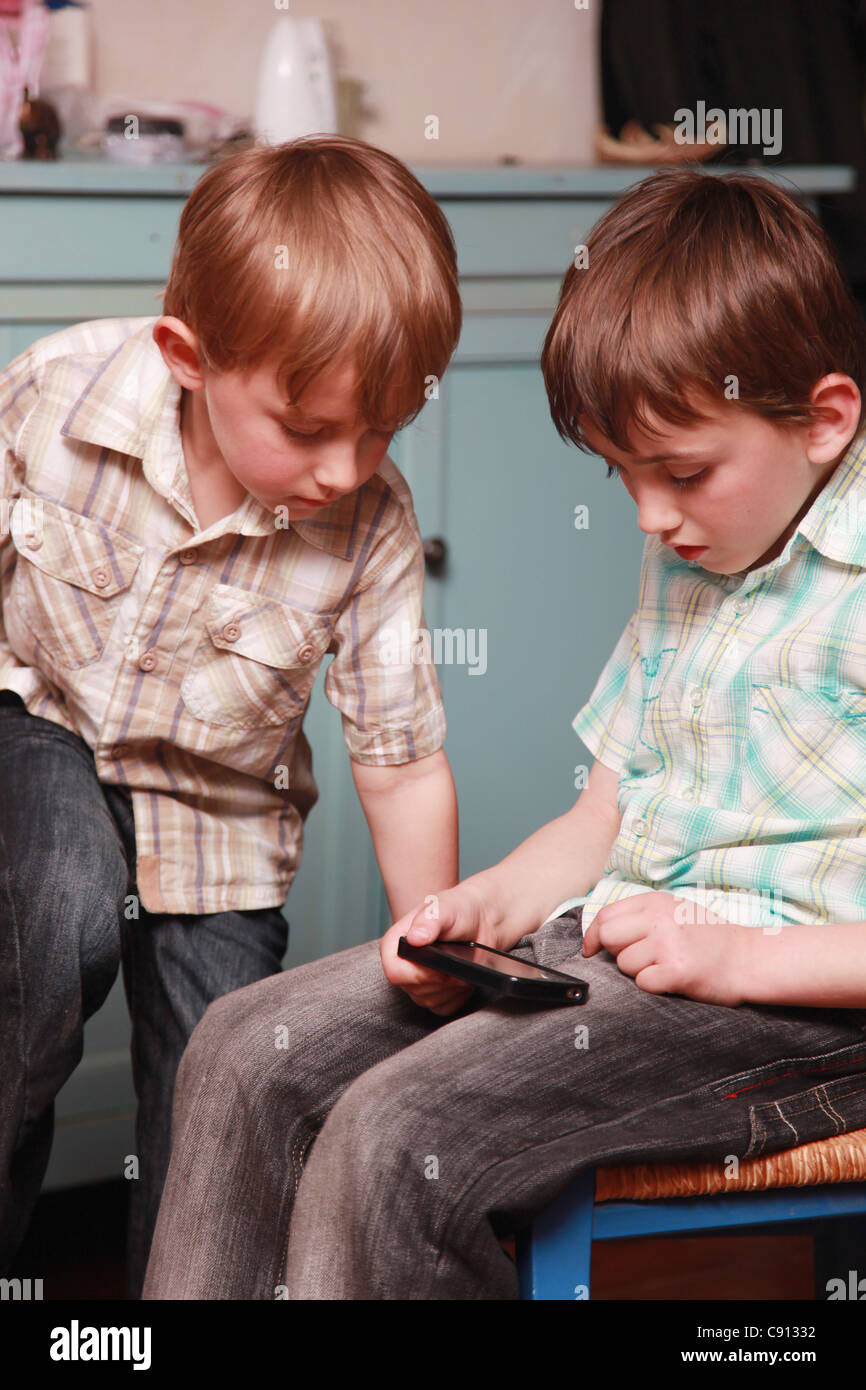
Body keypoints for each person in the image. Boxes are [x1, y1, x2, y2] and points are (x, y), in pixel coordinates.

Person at [141, 167, 866, 1302]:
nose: (646, 514)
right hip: (617, 952)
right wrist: (487, 909)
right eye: (622, 475)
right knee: (240, 1048)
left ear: (823, 420)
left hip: (800, 1018)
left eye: (679, 472)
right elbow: (604, 815)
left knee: (396, 1136)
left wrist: (746, 959)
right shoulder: (695, 549)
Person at [0, 135, 463, 1299]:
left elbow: (399, 762)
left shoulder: (370, 526)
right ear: (187, 357)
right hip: (36, 723)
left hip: (220, 821)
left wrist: (438, 943)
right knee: (59, 908)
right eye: (309, 430)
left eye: (383, 432)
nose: (346, 469)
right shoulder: (57, 392)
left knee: (221, 1094)